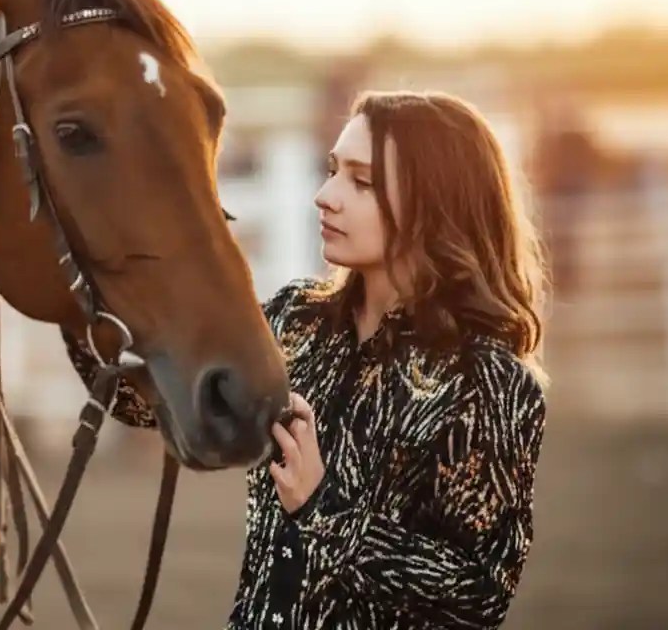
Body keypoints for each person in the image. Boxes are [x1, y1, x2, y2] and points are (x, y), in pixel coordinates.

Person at [64, 90, 548, 628]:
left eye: (361, 182)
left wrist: (323, 506)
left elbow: (477, 593)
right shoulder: (295, 321)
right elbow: (148, 404)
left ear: (435, 202)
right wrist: (85, 303)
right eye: (333, 170)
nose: (325, 196)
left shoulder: (488, 381)